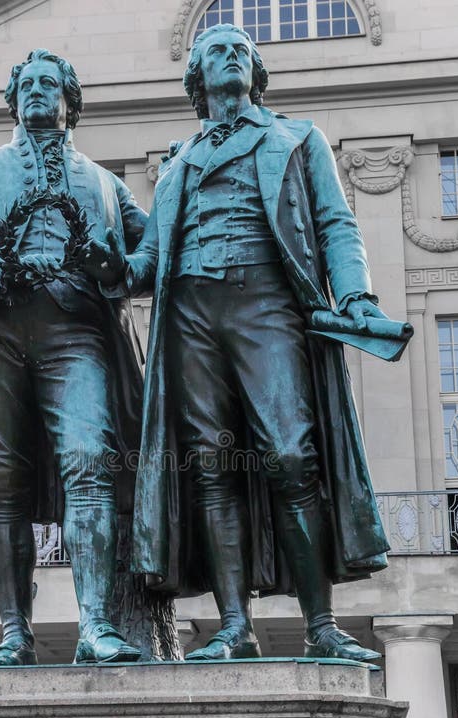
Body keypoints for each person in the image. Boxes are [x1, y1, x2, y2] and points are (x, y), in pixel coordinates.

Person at [82, 24, 393, 663]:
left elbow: (337, 223)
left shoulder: (297, 138)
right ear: (196, 77)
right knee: (211, 466)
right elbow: (149, 262)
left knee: (291, 455)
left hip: (267, 303)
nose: (230, 54)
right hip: (192, 314)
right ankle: (232, 626)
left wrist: (355, 295)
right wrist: (109, 266)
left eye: (241, 50)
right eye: (216, 50)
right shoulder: (177, 165)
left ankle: (323, 625)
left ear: (255, 71)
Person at [0, 48, 148, 666]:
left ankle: (98, 628)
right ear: (12, 99)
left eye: (48, 84)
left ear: (69, 101)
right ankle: (13, 634)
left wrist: (116, 266)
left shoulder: (106, 184)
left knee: (89, 461)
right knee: (3, 482)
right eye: (26, 85)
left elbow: (152, 255)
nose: (36, 93)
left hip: (76, 332)